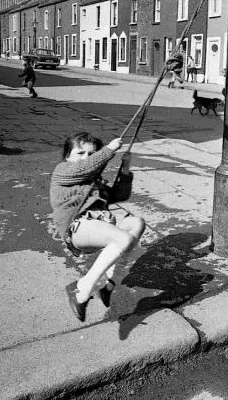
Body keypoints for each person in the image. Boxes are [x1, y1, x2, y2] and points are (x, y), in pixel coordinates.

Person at [50, 133, 145, 322]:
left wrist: (125, 168)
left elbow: (119, 195)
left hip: (99, 224)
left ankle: (108, 287)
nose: (86, 158)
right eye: (80, 153)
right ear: (68, 156)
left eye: (91, 153)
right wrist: (108, 150)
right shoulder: (62, 172)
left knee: (137, 223)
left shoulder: (94, 180)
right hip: (76, 229)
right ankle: (81, 290)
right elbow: (86, 168)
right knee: (124, 239)